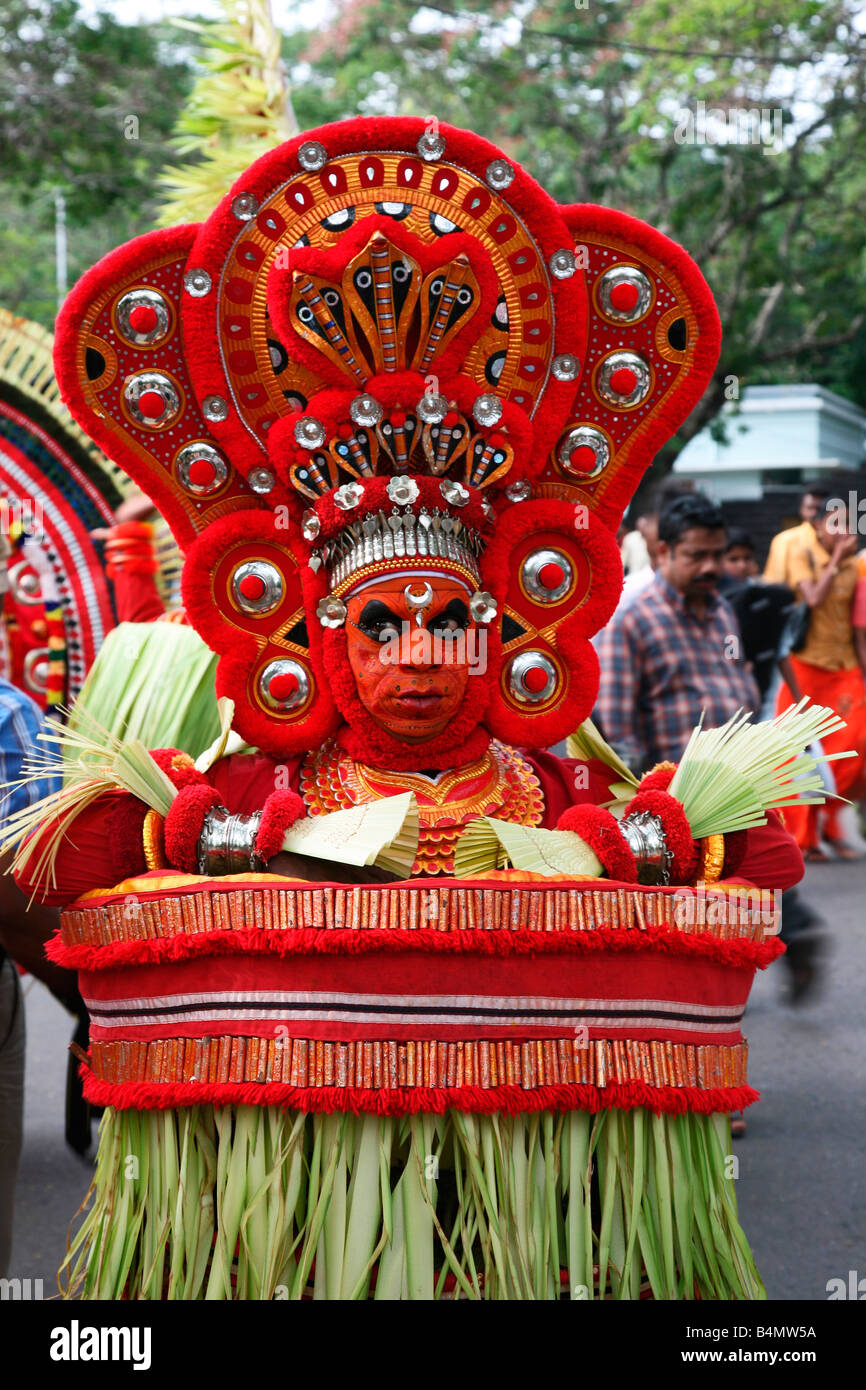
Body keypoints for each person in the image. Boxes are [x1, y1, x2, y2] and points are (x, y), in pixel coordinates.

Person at [5, 116, 806, 1301]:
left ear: (506, 624)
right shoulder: (243, 792)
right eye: (380, 625)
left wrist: (647, 839)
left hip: (535, 1232)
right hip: (301, 1239)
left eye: (450, 619)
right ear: (316, 636)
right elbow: (52, 877)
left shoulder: (563, 786)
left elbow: (761, 859)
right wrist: (204, 840)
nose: (419, 655)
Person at [595, 493, 759, 773]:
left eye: (717, 555)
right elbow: (617, 736)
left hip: (740, 787)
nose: (710, 567)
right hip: (676, 801)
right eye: (696, 556)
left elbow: (738, 681)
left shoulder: (722, 612)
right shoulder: (631, 622)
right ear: (663, 552)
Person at [774, 497, 866, 859]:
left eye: (849, 524)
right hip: (805, 669)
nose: (844, 532)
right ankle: (805, 838)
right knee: (799, 755)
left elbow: (859, 626)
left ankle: (828, 817)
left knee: (853, 747)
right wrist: (833, 563)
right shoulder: (805, 555)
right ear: (818, 529)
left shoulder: (856, 569)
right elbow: (811, 597)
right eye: (835, 525)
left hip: (844, 668)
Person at [763, 485, 831, 586]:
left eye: (819, 508)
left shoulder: (838, 537)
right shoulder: (785, 540)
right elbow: (775, 581)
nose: (814, 513)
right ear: (801, 510)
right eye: (810, 508)